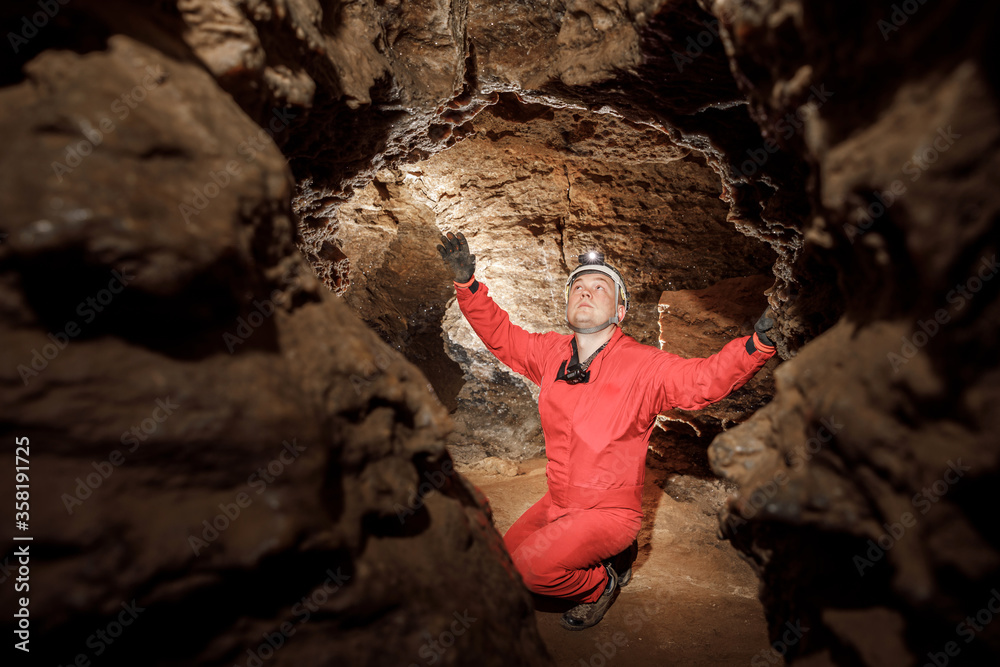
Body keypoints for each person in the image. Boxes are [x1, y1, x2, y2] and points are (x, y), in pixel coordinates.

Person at [437, 231, 777, 631]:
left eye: (600, 287)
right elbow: (502, 337)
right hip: (558, 503)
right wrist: (467, 285)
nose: (585, 292)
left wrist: (756, 346)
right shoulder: (550, 353)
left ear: (619, 312)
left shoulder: (644, 365)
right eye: (577, 286)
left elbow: (704, 380)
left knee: (530, 573)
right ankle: (593, 558)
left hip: (609, 513)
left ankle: (601, 582)